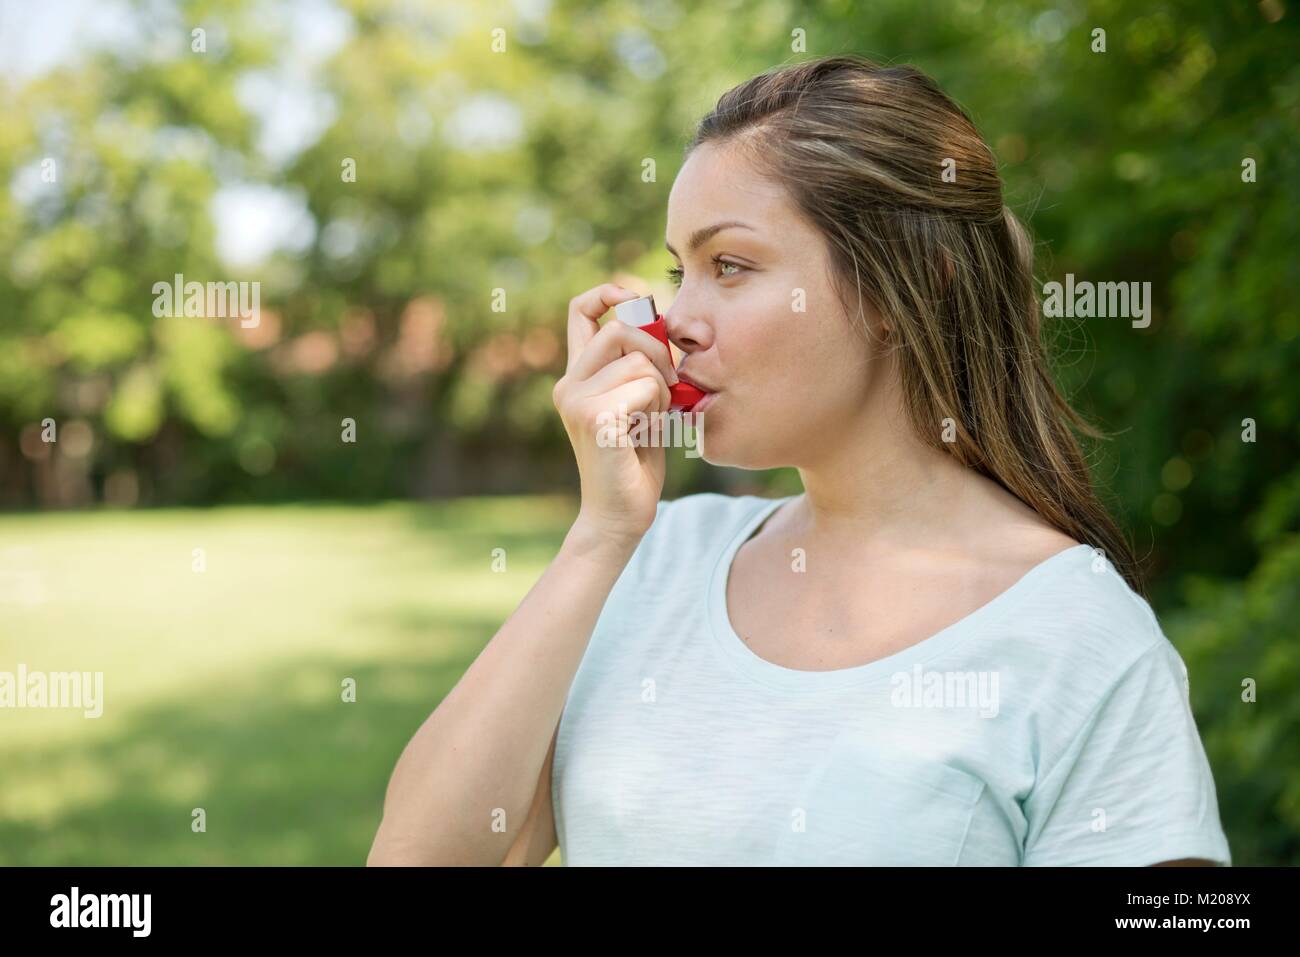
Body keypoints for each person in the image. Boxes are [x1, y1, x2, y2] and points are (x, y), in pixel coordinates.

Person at [367, 55, 1230, 867]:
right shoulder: (657, 560)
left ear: (907, 289)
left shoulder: (1081, 639)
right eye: (680, 272)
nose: (674, 322)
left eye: (729, 265)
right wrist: (600, 535)